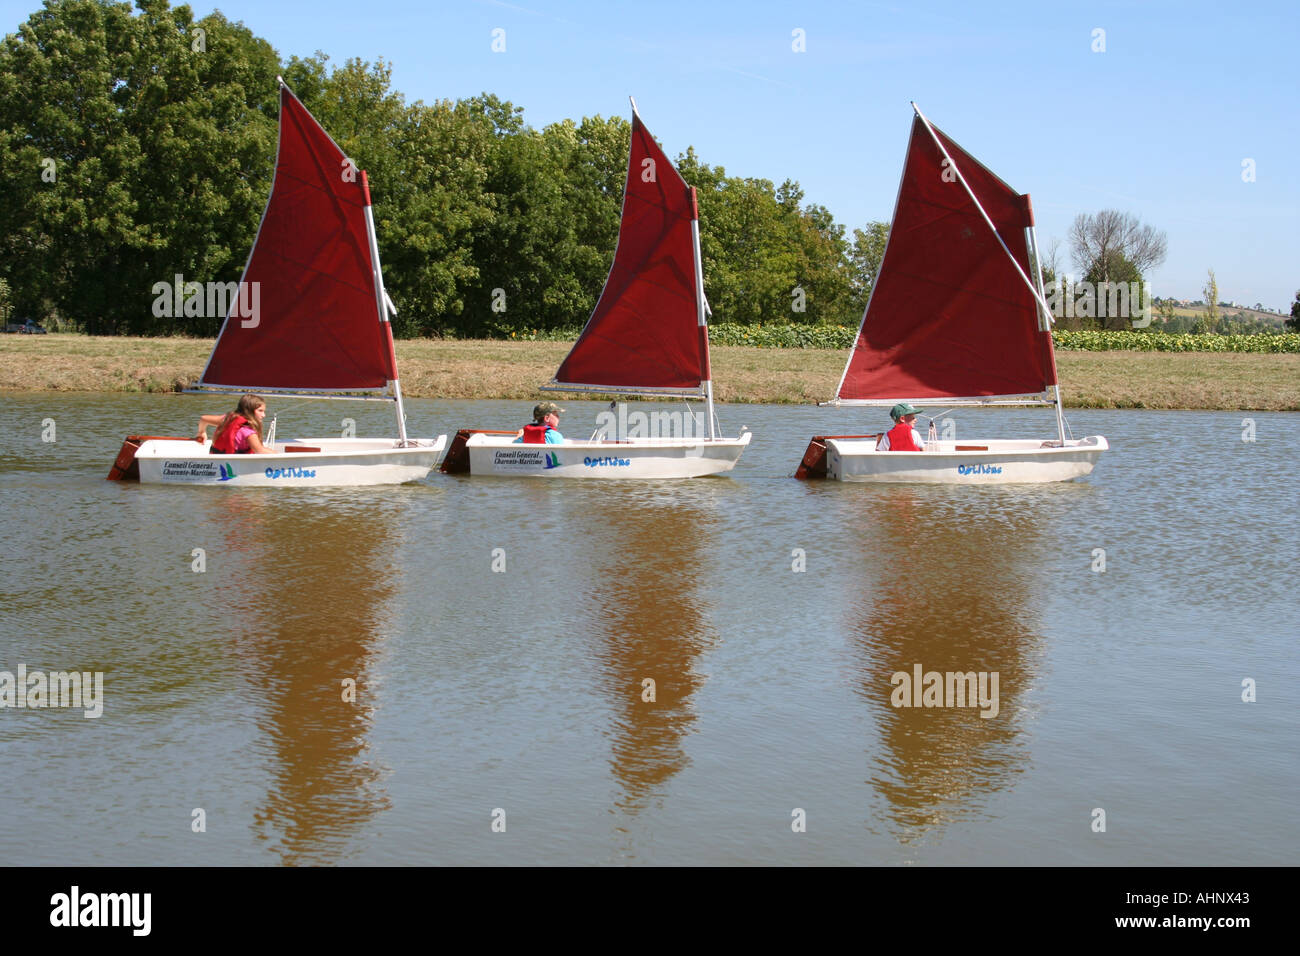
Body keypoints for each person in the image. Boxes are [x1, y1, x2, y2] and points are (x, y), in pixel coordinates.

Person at [197, 394, 275, 454]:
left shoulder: (226, 419)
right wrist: (277, 454)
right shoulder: (248, 432)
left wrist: (201, 432)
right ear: (249, 410)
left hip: (217, 462)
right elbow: (259, 450)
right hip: (233, 467)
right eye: (260, 411)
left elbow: (203, 419)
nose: (263, 415)